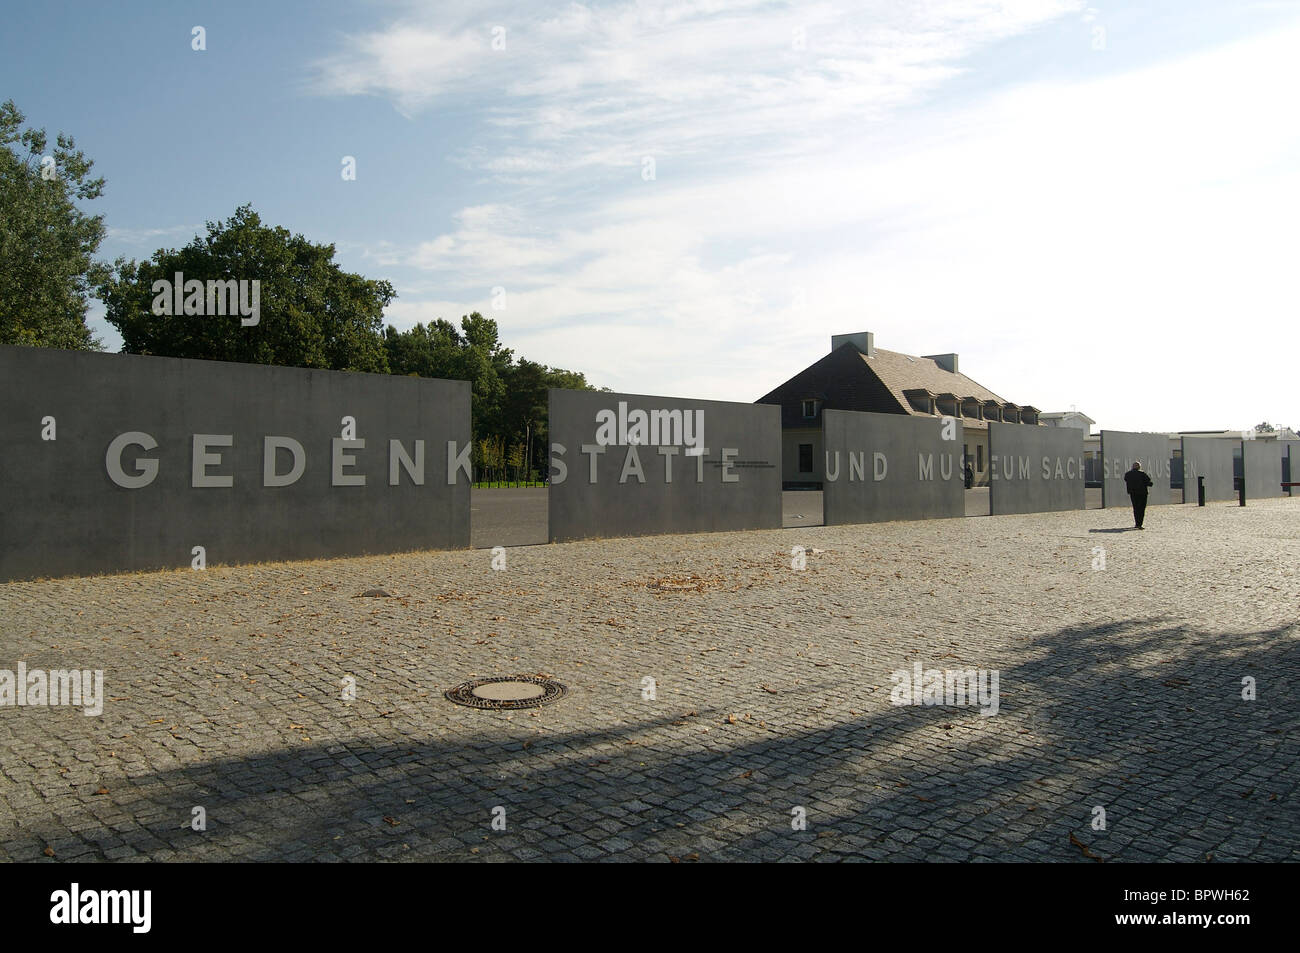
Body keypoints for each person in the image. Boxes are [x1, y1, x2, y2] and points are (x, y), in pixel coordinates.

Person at [1123, 460, 1153, 529]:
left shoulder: (1128, 474)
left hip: (1133, 493)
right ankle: (1139, 524)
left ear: (1132, 467)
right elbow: (1149, 483)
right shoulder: (1142, 474)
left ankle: (1136, 523)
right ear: (1139, 467)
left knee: (1135, 508)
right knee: (1141, 509)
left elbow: (1126, 479)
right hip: (1142, 493)